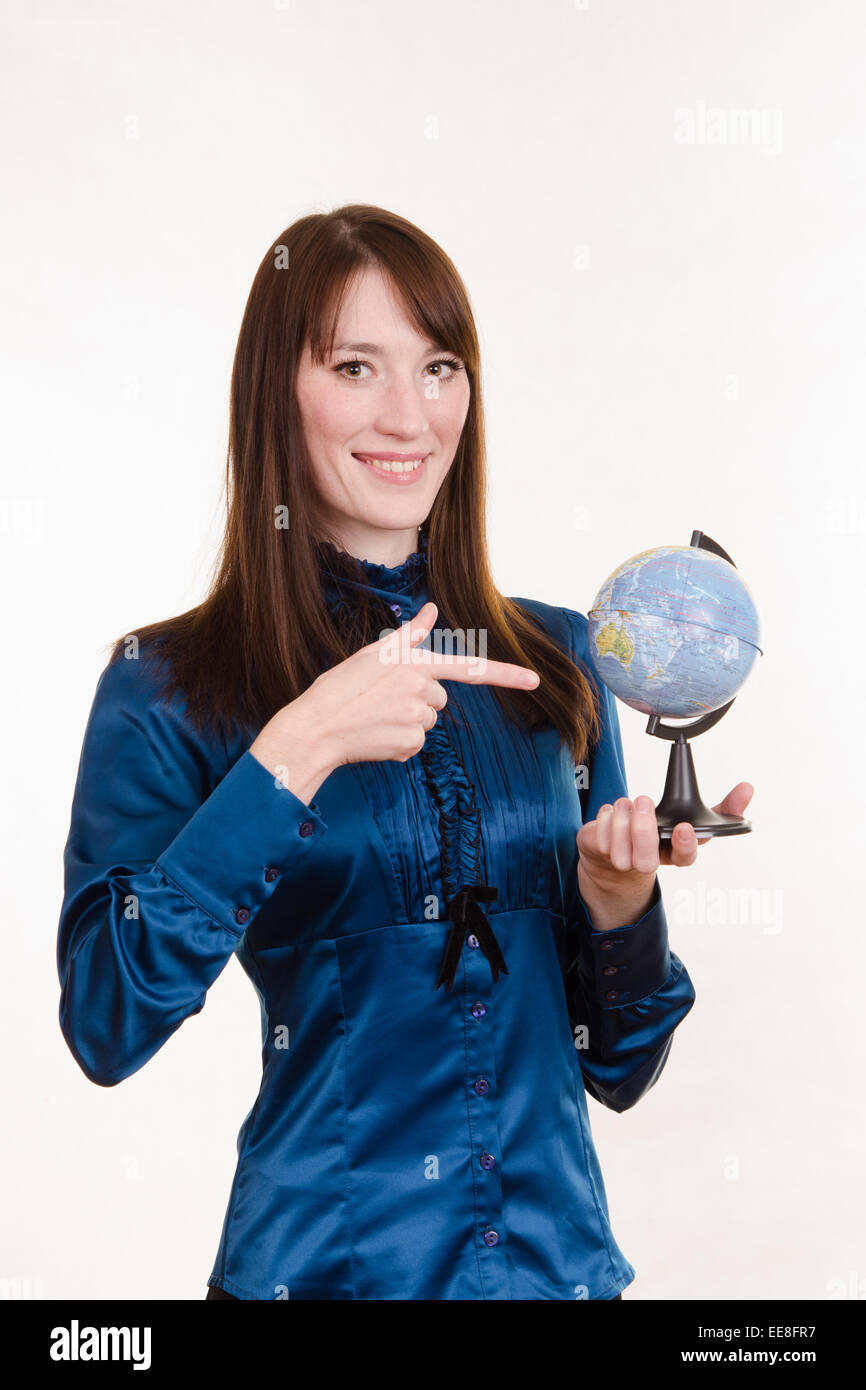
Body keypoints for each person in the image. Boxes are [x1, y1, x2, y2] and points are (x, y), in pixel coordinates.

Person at [56, 204, 752, 1301]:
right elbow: (106, 1016)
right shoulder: (166, 682)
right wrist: (292, 752)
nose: (408, 414)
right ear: (275, 390)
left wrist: (620, 909)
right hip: (322, 1274)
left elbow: (616, 1065)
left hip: (555, 1276)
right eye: (354, 365)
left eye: (437, 367)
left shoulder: (554, 659)